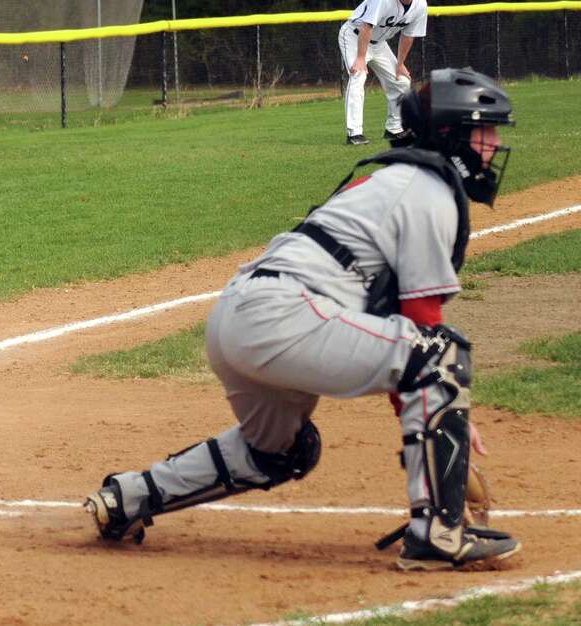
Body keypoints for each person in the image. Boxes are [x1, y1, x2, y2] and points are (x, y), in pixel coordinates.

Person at [83, 67, 522, 571]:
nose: (492, 143)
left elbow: (405, 343)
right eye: (483, 130)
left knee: (280, 452)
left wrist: (441, 425)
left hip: (236, 315)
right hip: (285, 317)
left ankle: (128, 498)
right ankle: (438, 537)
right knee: (440, 353)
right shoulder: (428, 191)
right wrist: (448, 438)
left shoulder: (391, 177)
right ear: (450, 135)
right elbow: (423, 331)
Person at [339, 0, 428, 145]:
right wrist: (361, 58)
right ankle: (354, 133)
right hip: (354, 36)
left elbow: (408, 35)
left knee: (402, 80)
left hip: (379, 44)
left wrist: (400, 63)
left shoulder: (420, 5)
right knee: (358, 75)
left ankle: (394, 128)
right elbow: (366, 27)